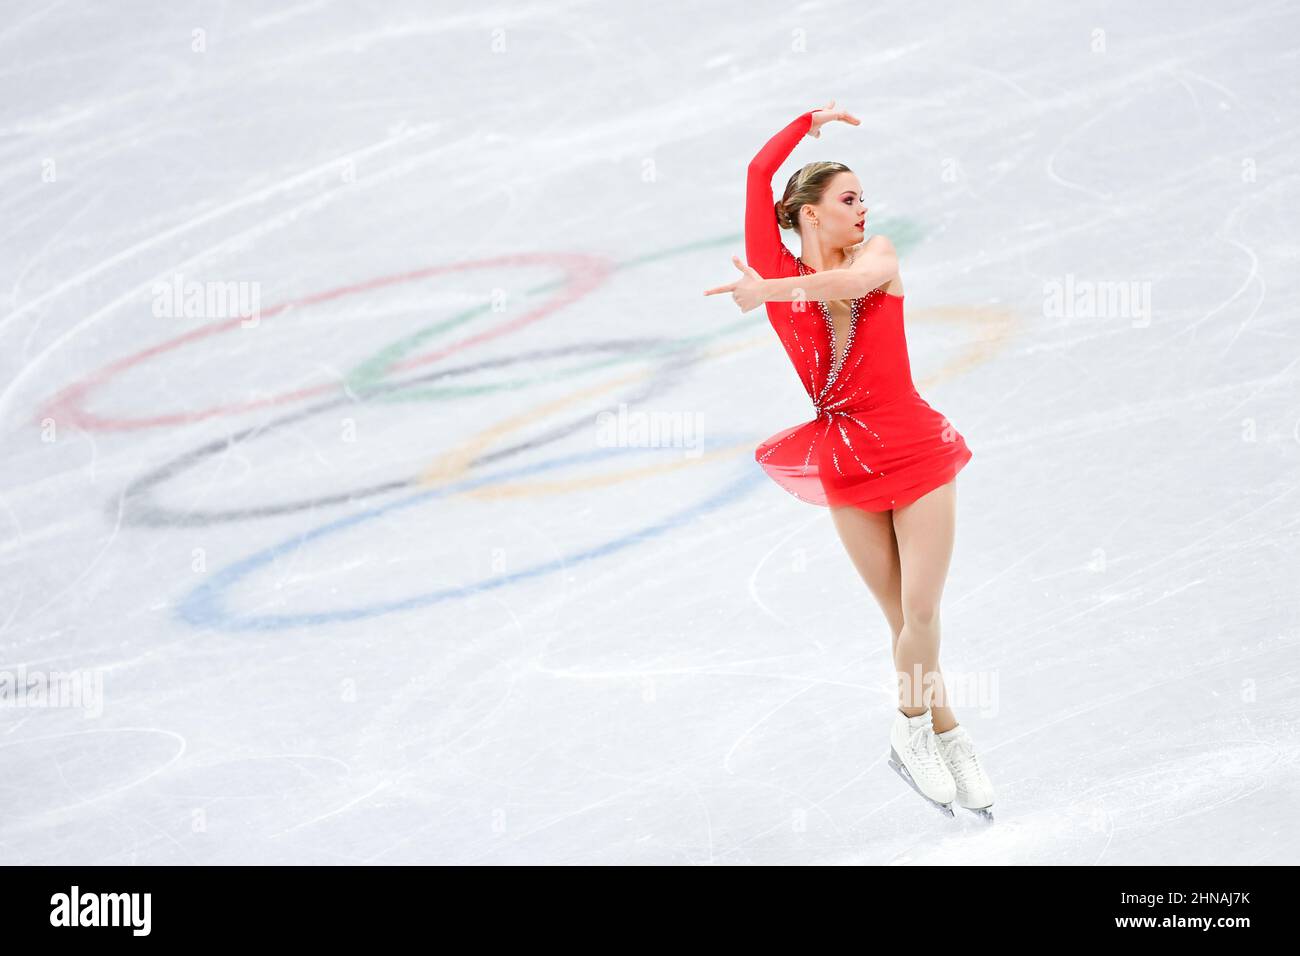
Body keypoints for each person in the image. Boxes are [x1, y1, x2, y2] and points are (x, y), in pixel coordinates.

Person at [704, 100, 994, 820]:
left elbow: (848, 287)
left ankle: (910, 728)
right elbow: (757, 172)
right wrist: (806, 122)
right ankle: (948, 733)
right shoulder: (779, 263)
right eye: (848, 199)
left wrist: (768, 290)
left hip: (915, 446)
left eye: (863, 198)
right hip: (845, 458)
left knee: (922, 608)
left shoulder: (876, 257)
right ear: (810, 213)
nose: (864, 210)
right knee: (901, 619)